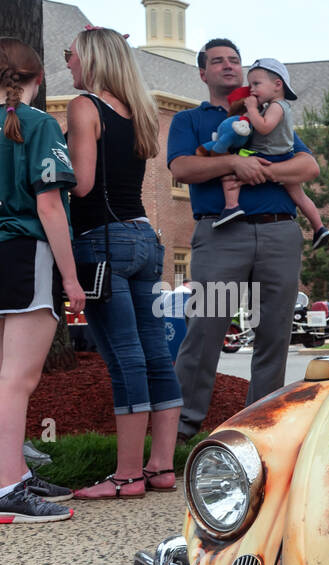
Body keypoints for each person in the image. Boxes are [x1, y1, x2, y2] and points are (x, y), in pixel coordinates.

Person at [168, 39, 320, 441]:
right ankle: (181, 433)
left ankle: (260, 431)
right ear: (203, 74)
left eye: (234, 60)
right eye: (218, 61)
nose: (229, 66)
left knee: (274, 333)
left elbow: (308, 165)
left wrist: (262, 171)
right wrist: (233, 162)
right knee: (205, 329)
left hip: (279, 232)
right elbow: (182, 167)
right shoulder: (191, 120)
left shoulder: (270, 114)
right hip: (221, 233)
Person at [65, 25, 182, 499]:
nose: (68, 62)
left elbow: (84, 184)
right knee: (155, 353)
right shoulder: (139, 111)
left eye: (70, 54)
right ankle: (161, 466)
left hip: (101, 243)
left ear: (90, 59)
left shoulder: (84, 108)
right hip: (143, 238)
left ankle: (127, 475)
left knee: (123, 357)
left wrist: (43, 175)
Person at [0, 37, 83, 523]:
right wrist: (71, 278)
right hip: (24, 252)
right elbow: (49, 204)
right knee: (17, 378)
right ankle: (9, 483)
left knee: (5, 377)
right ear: (37, 78)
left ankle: (14, 473)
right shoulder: (38, 124)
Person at [212, 58, 329, 250]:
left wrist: (251, 109)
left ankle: (231, 207)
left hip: (268, 155)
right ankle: (319, 228)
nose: (251, 89)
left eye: (257, 84)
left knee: (230, 175)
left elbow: (265, 128)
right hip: (284, 156)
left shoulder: (277, 106)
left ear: (277, 85)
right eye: (250, 85)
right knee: (298, 195)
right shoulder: (275, 106)